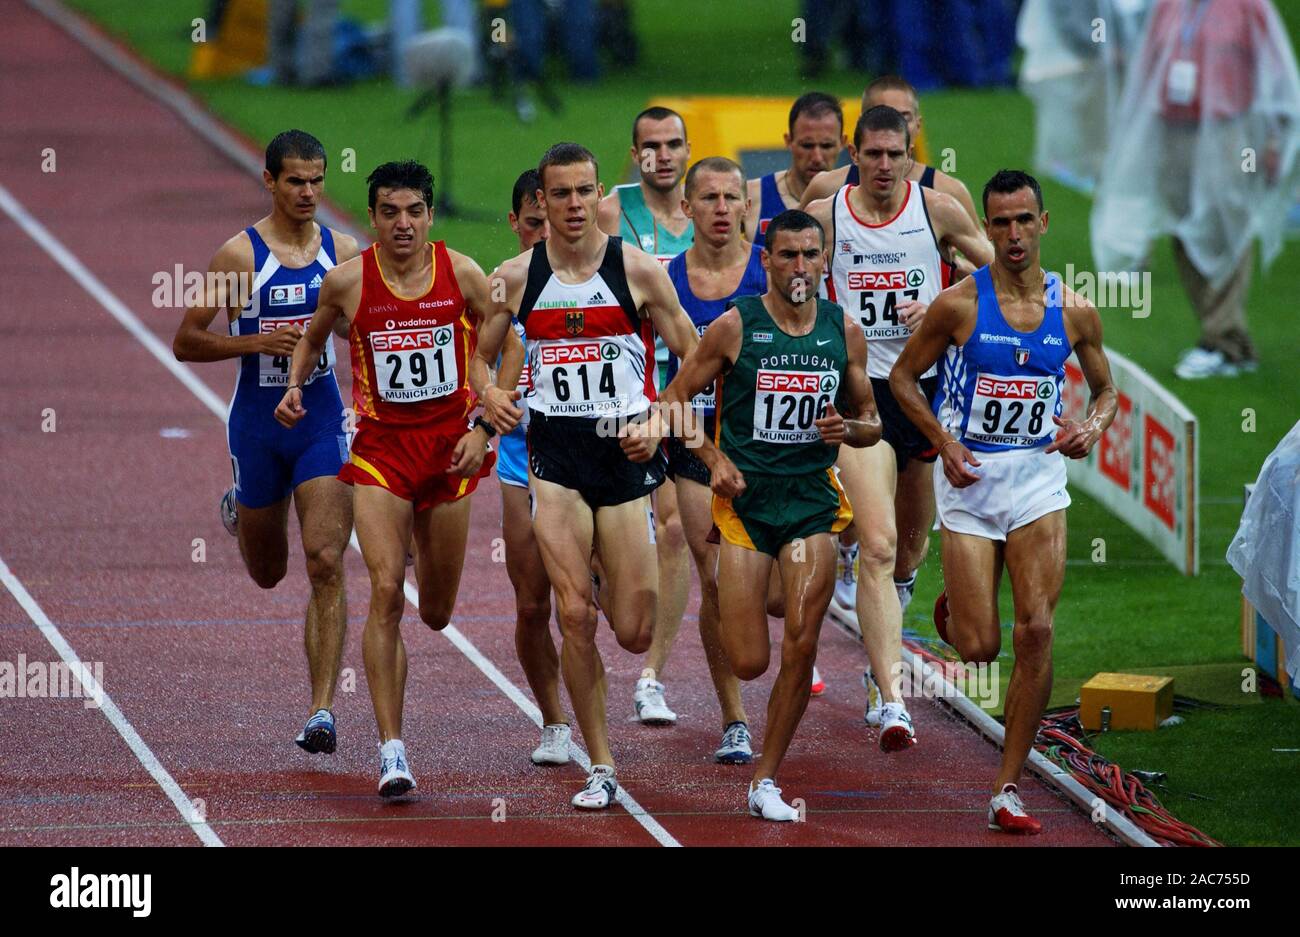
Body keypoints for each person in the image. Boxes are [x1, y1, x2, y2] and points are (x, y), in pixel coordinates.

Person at [625, 209, 881, 820]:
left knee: (800, 639)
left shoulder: (842, 330)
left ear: (825, 261)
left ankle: (765, 778)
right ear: (765, 261)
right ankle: (753, 692)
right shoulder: (738, 327)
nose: (799, 267)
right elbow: (675, 399)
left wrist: (852, 428)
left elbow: (872, 421)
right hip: (744, 506)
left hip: (811, 502)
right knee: (750, 658)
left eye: (810, 256)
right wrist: (712, 458)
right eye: (787, 255)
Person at [473, 142, 701, 809]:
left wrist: (659, 417)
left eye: (583, 192)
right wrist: (488, 393)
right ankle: (599, 762)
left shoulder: (637, 271)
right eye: (559, 194)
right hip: (556, 455)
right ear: (539, 202)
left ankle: (612, 575)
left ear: (599, 194)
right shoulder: (514, 277)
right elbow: (478, 358)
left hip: (625, 452)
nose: (572, 205)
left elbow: (695, 354)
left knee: (631, 627)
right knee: (572, 613)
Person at [890, 169, 1118, 833]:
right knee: (981, 646)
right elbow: (904, 378)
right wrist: (943, 441)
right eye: (1001, 223)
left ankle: (1006, 786)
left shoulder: (1073, 309)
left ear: (1044, 223)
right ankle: (959, 612)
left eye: (1024, 220)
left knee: (1038, 629)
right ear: (985, 229)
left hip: (1039, 480)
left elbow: (1104, 391)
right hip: (971, 479)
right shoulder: (959, 304)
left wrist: (1090, 428)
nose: (1013, 234)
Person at [275, 159, 497, 797]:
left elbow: (498, 342)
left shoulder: (464, 274)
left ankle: (428, 591)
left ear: (430, 216)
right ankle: (392, 751)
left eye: (414, 212)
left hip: (450, 452)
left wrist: (483, 419)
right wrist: (294, 386)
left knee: (437, 611)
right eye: (389, 213)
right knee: (385, 592)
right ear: (371, 218)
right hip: (380, 454)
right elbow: (314, 340)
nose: (403, 224)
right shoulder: (347, 284)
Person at [806, 105, 992, 737]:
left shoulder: (936, 211)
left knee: (909, 551)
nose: (885, 166)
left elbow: (1003, 273)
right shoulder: (828, 212)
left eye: (897, 154)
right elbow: (784, 279)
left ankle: (878, 644)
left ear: (911, 155)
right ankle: (892, 698)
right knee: (880, 545)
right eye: (873, 154)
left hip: (923, 393)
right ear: (852, 155)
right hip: (859, 398)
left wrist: (945, 303)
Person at [172, 129, 356, 756]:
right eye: (295, 181)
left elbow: (368, 333)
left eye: (317, 180)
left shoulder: (344, 252)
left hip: (320, 419)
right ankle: (241, 502)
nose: (308, 192)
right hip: (256, 422)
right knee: (268, 571)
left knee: (326, 561)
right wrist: (257, 342)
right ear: (270, 181)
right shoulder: (240, 257)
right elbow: (187, 339)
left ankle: (322, 711)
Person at [1090, 0, 1300, 379]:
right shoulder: (1170, 5)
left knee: (1226, 231)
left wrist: (1272, 140)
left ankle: (1227, 341)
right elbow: (1148, 65)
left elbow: (1276, 74)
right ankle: (1215, 332)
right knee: (1184, 229)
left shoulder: (1248, 6)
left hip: (1226, 132)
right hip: (1174, 130)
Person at [653, 156, 768, 764]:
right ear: (686, 209)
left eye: (731, 198)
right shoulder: (664, 281)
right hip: (696, 448)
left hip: (774, 452)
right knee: (717, 580)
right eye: (710, 199)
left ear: (746, 207)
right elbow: (656, 375)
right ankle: (735, 719)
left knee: (773, 593)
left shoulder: (774, 273)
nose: (722, 209)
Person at [598, 107, 696, 726]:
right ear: (635, 155)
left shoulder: (712, 212)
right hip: (613, 392)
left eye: (674, 145)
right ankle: (604, 596)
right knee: (601, 540)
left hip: (683, 388)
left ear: (688, 150)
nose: (663, 155)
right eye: (651, 146)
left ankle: (652, 676)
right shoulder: (610, 211)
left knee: (678, 528)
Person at [498, 169, 573, 766]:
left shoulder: (597, 278)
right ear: (516, 223)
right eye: (533, 224)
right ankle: (554, 720)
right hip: (521, 462)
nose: (544, 233)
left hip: (588, 461)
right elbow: (464, 365)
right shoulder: (498, 287)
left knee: (603, 607)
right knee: (532, 605)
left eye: (551, 223)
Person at [799, 76, 981, 228]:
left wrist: (955, 266)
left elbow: (989, 265)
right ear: (861, 123)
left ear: (918, 125)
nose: (893, 126)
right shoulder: (825, 188)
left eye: (903, 117)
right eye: (882, 115)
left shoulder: (949, 192)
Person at [744, 92, 847, 249]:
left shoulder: (860, 199)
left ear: (843, 143)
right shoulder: (752, 196)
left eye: (826, 146)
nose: (817, 157)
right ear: (788, 141)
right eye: (807, 145)